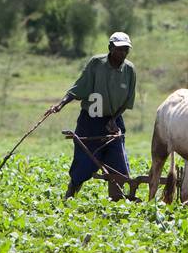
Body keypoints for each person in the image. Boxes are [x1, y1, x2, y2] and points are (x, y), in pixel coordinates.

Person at [52, 32, 136, 200]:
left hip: (113, 122)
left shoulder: (129, 70)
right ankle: (71, 193)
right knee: (83, 164)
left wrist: (113, 120)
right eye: (119, 49)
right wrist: (61, 104)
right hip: (90, 122)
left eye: (126, 50)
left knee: (118, 168)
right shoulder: (96, 64)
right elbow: (79, 88)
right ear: (110, 48)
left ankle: (117, 202)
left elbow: (127, 101)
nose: (122, 53)